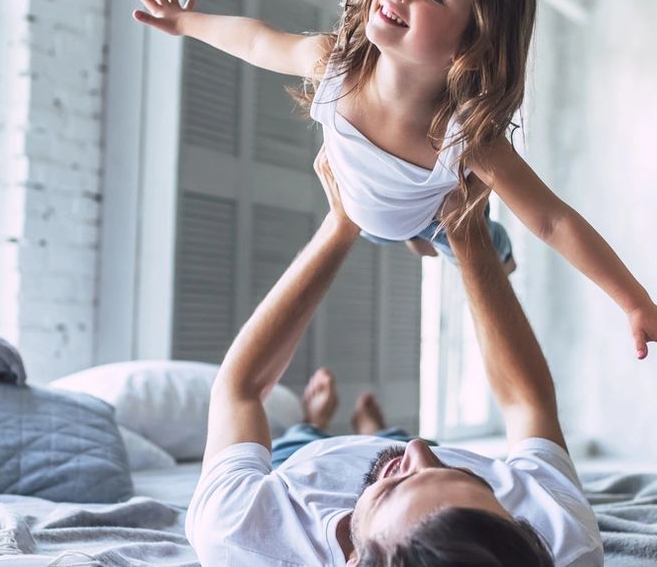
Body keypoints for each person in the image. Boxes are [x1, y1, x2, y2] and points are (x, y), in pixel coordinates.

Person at [132, 0, 657, 369]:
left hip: (427, 216)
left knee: (475, 240)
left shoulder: (466, 138)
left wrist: (635, 302)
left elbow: (553, 219)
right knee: (396, 232)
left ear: (473, 41)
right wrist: (185, 21)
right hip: (362, 209)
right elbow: (257, 38)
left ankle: (451, 243)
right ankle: (412, 237)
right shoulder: (333, 65)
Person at [184, 150, 603, 565]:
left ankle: (316, 422)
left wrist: (341, 225)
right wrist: (466, 229)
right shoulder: (561, 539)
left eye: (397, 487)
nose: (417, 448)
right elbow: (528, 405)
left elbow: (241, 390)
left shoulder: (242, 531)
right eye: (471, 484)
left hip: (298, 467)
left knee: (299, 438)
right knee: (401, 444)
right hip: (426, 469)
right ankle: (381, 431)